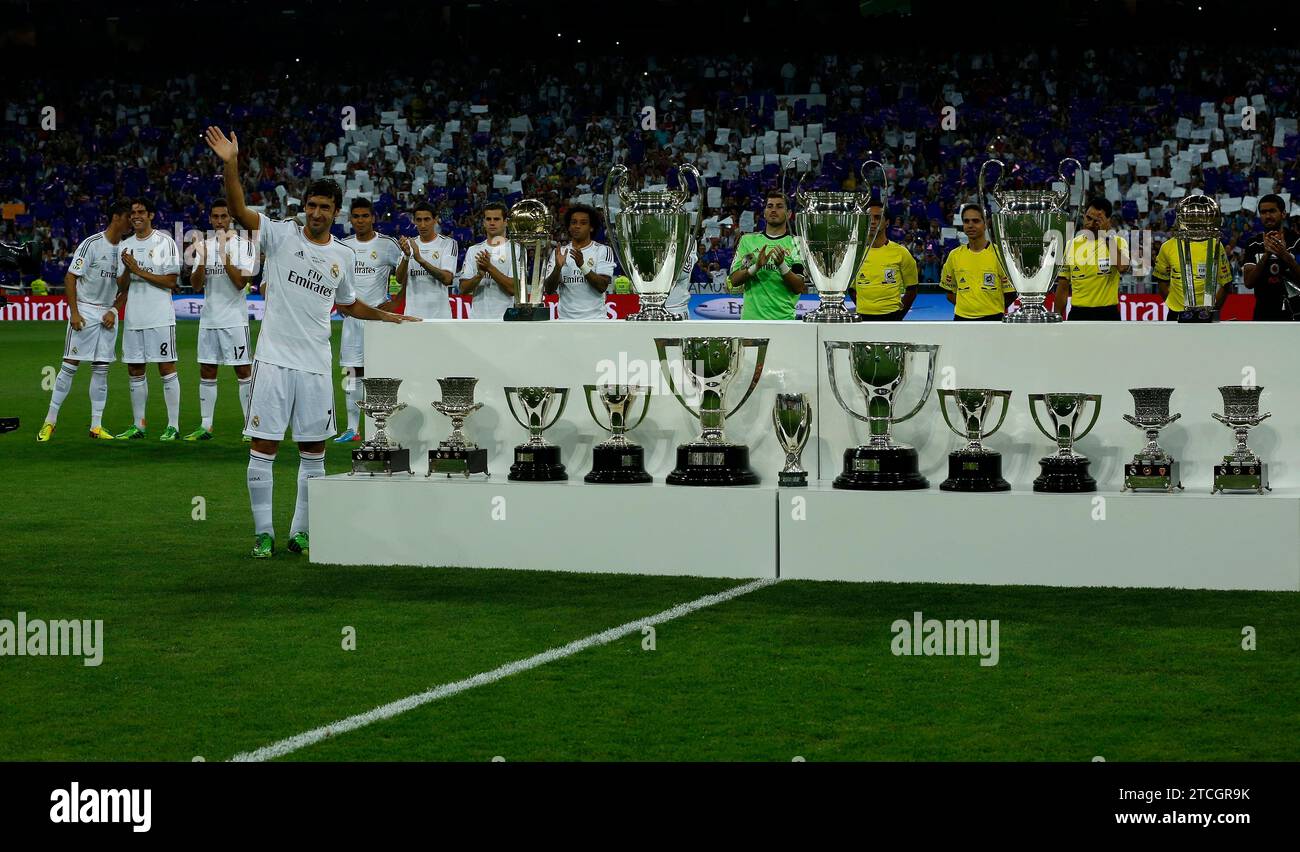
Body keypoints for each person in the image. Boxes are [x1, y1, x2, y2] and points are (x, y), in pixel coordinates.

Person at [204, 126, 419, 559]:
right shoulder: (281, 234)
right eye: (311, 206)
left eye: (324, 207)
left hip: (318, 365)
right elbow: (239, 209)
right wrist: (231, 164)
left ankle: (300, 532)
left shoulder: (343, 255)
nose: (316, 213)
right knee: (264, 446)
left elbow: (349, 304)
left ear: (336, 212)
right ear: (303, 208)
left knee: (314, 450)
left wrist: (387, 316)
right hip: (274, 360)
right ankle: (263, 533)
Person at [36, 200, 132, 442]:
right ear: (116, 217)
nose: (131, 221)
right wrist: (75, 312)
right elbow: (70, 278)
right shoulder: (92, 244)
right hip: (86, 311)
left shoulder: (126, 249)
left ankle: (96, 426)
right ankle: (49, 422)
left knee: (101, 370)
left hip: (107, 315)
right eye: (128, 217)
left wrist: (114, 310)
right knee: (69, 366)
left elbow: (126, 288)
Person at [184, 198, 257, 441]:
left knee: (243, 370)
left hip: (235, 320)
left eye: (223, 216)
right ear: (210, 219)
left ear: (231, 218)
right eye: (215, 217)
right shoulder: (204, 246)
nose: (219, 221)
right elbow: (196, 285)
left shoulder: (245, 246)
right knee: (207, 369)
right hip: (209, 320)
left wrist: (223, 254)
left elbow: (240, 283)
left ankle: (250, 426)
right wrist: (203, 260)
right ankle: (206, 426)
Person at [336, 197, 408, 441]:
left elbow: (403, 275)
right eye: (356, 216)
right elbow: (334, 277)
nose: (360, 220)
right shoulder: (343, 246)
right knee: (351, 374)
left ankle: (382, 427)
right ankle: (352, 428)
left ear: (373, 218)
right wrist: (338, 301)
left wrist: (396, 301)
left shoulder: (387, 244)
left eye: (365, 216)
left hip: (378, 320)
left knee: (380, 373)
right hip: (352, 320)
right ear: (350, 219)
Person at [115, 197, 183, 439]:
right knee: (135, 370)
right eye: (133, 212)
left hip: (160, 317)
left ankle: (173, 426)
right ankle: (139, 425)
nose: (136, 216)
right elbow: (121, 286)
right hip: (134, 318)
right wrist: (127, 268)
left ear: (151, 215)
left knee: (166, 368)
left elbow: (171, 281)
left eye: (141, 212)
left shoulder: (165, 242)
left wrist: (137, 269)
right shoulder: (125, 245)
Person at [727, 190, 806, 320]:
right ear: (764, 212)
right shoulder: (748, 241)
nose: (773, 210)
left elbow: (799, 286)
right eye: (770, 206)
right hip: (751, 321)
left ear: (789, 214)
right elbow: (733, 281)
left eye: (779, 206)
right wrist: (756, 267)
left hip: (783, 321)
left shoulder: (797, 243)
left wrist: (782, 265)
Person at [1056, 197, 1129, 321]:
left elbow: (1122, 267)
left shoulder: (1118, 242)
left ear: (1108, 221)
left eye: (1097, 221)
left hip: (1107, 313)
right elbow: (1063, 287)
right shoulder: (1071, 245)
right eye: (1088, 218)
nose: (1090, 223)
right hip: (1078, 314)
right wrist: (1056, 316)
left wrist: (1106, 235)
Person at [940, 204, 1015, 321]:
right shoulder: (954, 255)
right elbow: (950, 293)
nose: (970, 225)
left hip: (993, 319)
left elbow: (1010, 294)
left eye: (975, 221)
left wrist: (991, 310)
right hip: (961, 319)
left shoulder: (1001, 255)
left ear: (985, 224)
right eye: (966, 221)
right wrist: (967, 309)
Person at [1153, 213, 1232, 321]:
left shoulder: (1215, 245)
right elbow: (1162, 282)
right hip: (1176, 314)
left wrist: (1211, 310)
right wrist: (1175, 306)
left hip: (1206, 315)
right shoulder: (1167, 247)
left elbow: (1226, 283)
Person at [543, 203, 615, 320]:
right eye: (574, 222)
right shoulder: (560, 252)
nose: (577, 226)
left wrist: (582, 266)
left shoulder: (603, 250)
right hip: (566, 321)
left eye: (583, 223)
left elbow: (602, 286)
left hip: (596, 320)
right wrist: (557, 268)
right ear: (569, 226)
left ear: (591, 227)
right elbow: (549, 290)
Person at [852, 198, 918, 320]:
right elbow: (851, 289)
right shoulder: (855, 254)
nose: (872, 222)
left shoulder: (901, 253)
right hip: (862, 318)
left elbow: (912, 289)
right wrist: (865, 309)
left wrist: (898, 316)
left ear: (887, 222)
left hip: (892, 316)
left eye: (877, 218)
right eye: (869, 218)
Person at [459, 202, 525, 319]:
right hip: (477, 319)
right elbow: (463, 289)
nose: (492, 223)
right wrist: (479, 275)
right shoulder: (473, 250)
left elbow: (514, 289)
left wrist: (489, 267)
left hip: (505, 319)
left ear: (506, 222)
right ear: (484, 223)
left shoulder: (516, 249)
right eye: (488, 219)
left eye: (496, 219)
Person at [1241, 193, 1300, 321]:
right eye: (1263, 212)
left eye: (1272, 211)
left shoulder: (1297, 242)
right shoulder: (1253, 244)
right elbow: (1248, 282)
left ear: (1283, 214)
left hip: (1295, 313)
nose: (1267, 216)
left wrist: (1284, 255)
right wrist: (1266, 255)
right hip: (1263, 313)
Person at [395, 201, 457, 319]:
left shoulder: (448, 243)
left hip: (440, 317)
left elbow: (447, 279)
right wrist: (406, 257)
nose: (423, 225)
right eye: (419, 220)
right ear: (414, 221)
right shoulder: (409, 244)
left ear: (435, 219)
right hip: (413, 316)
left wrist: (420, 260)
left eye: (427, 219)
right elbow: (399, 279)